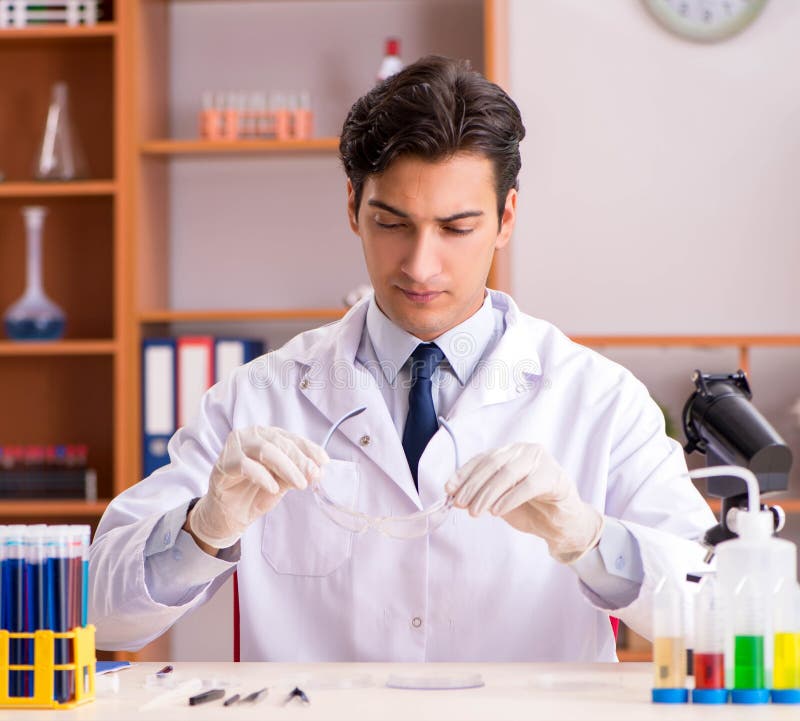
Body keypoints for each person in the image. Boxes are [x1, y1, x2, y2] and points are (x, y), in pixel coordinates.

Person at [89, 56, 714, 662]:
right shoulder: (259, 396)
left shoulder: (598, 399)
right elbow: (100, 612)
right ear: (353, 210)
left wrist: (587, 537)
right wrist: (204, 527)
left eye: (456, 228)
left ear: (506, 218)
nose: (420, 265)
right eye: (392, 223)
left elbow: (712, 610)